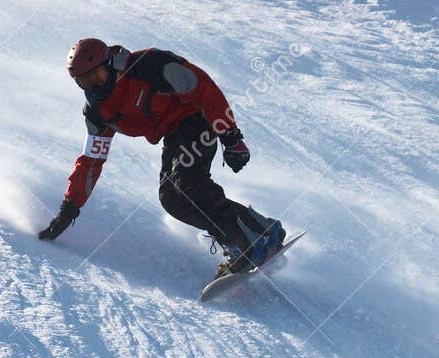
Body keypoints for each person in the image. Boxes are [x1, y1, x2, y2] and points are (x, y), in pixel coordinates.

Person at [37, 39, 286, 277]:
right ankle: (247, 236)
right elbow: (91, 160)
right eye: (84, 82)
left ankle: (251, 236)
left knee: (186, 183)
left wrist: (231, 137)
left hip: (198, 119)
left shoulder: (149, 65)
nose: (95, 87)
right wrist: (69, 208)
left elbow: (204, 89)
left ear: (109, 64)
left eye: (98, 77)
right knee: (171, 199)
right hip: (174, 135)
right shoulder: (97, 112)